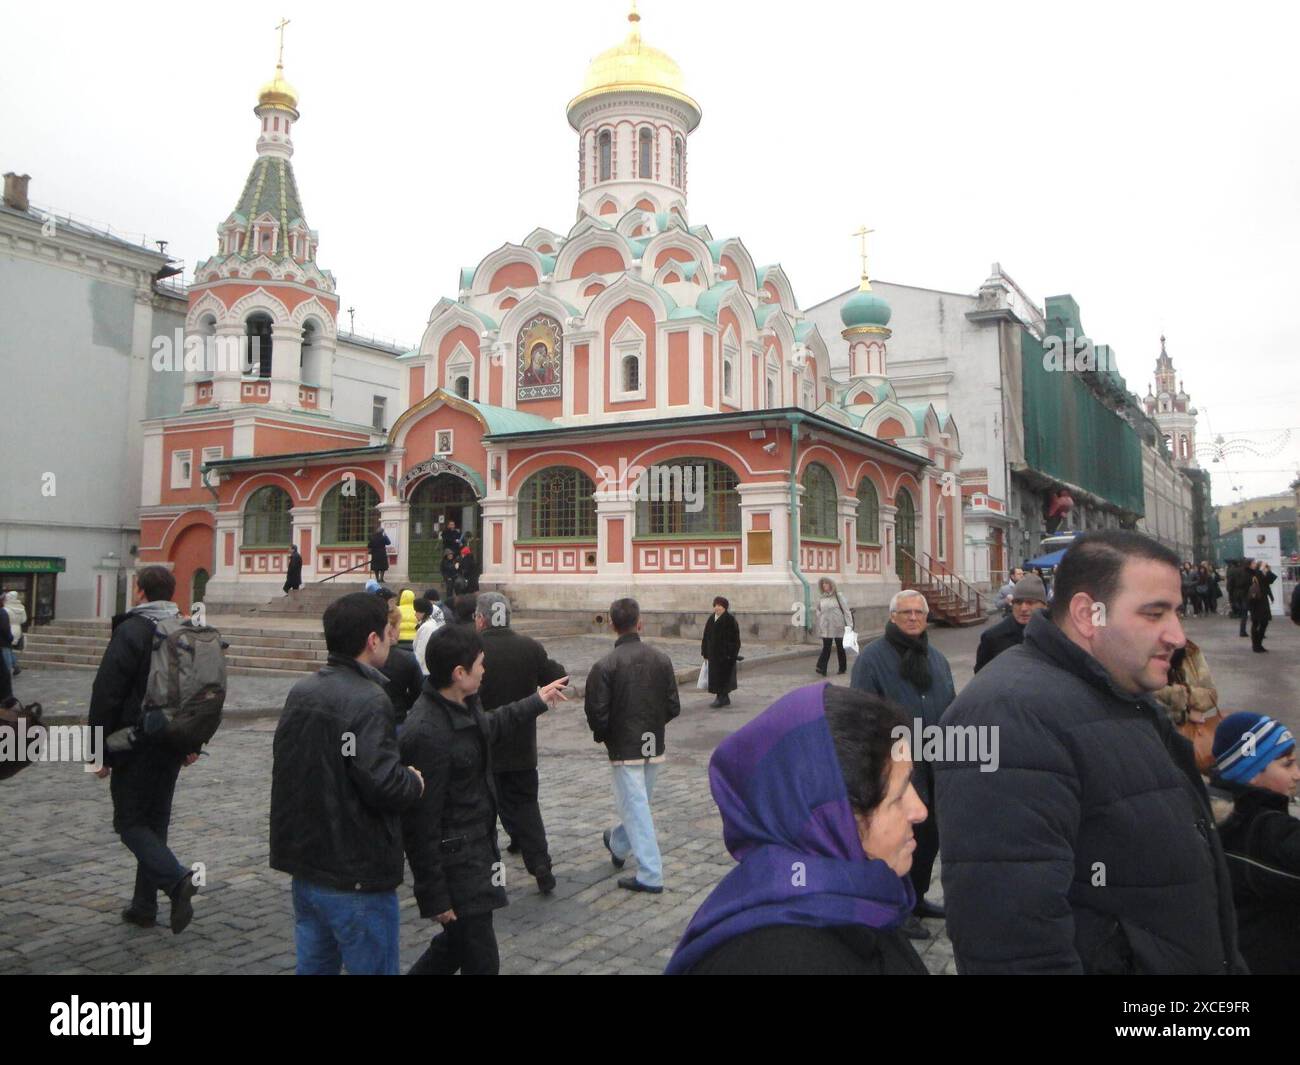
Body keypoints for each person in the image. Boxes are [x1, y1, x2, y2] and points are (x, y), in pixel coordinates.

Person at [935, 530, 1246, 974]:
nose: (1177, 635)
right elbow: (1012, 943)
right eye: (1154, 614)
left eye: (1175, 612)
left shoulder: (1121, 691)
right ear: (1087, 614)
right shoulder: (1007, 715)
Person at [665, 684, 928, 975]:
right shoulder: (779, 961)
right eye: (899, 794)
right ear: (836, 819)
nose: (920, 811)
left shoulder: (858, 894)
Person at [269, 592, 425, 975]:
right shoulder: (370, 699)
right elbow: (381, 782)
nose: (392, 640)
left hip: (307, 867)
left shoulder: (302, 691)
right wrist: (413, 782)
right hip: (355, 873)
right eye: (388, 633)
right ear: (373, 640)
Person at [401, 624, 569, 974]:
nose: (484, 669)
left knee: (453, 948)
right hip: (457, 863)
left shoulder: (464, 703)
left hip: (477, 851)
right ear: (459, 673)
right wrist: (434, 894)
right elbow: (421, 822)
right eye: (479, 664)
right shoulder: (426, 731)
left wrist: (537, 701)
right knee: (480, 958)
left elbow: (490, 726)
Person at [88, 565, 201, 934]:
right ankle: (143, 905)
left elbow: (107, 693)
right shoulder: (186, 629)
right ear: (172, 592)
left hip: (134, 742)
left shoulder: (132, 630)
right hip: (171, 741)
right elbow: (199, 692)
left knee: (130, 822)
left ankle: (176, 879)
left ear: (139, 592)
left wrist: (97, 751)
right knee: (154, 823)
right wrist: (192, 741)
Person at [850, 589, 955, 939]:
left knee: (929, 839)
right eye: (905, 612)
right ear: (892, 617)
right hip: (896, 769)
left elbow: (950, 705)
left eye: (918, 612)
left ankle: (919, 896)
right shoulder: (872, 659)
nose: (913, 617)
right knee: (899, 840)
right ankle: (897, 906)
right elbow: (863, 714)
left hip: (935, 764)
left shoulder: (936, 659)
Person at [585, 598, 680, 893]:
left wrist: (606, 736)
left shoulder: (604, 666)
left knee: (637, 807)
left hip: (625, 747)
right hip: (652, 742)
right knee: (639, 805)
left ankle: (651, 874)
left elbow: (596, 713)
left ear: (612, 625)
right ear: (640, 623)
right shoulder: (662, 659)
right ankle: (618, 842)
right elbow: (673, 706)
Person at [474, 592, 566, 895]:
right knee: (527, 808)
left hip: (483, 747)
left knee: (483, 816)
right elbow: (559, 676)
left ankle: (490, 877)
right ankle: (541, 866)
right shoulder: (529, 647)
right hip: (522, 748)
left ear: (481, 618)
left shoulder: (475, 649)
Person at [1210, 713, 1300, 974]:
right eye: (1287, 765)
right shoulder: (1261, 829)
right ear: (1250, 773)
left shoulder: (1220, 815)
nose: (1297, 774)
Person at [1153, 638, 1220, 773]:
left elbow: (1211, 695)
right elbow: (1140, 700)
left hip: (1186, 741)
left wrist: (1187, 693)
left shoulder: (1190, 651)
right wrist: (1184, 712)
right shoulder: (1138, 651)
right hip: (1154, 744)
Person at [974, 573, 1046, 674]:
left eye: (1030, 602)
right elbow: (981, 677)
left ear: (1044, 605)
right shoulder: (993, 637)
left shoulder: (1055, 635)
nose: (1023, 608)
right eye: (1018, 602)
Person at [378, 605, 423, 727]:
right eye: (398, 626)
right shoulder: (406, 659)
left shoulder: (367, 656)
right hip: (397, 718)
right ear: (391, 630)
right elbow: (419, 692)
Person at [700, 596, 740, 708]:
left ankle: (721, 697)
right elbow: (706, 636)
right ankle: (722, 697)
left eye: (720, 606)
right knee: (715, 677)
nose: (717, 608)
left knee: (724, 677)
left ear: (725, 608)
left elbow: (735, 639)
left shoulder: (730, 620)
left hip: (725, 656)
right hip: (713, 655)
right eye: (716, 605)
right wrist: (705, 652)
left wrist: (730, 654)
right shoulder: (711, 619)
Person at [813, 577, 852, 676]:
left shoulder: (838, 596)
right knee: (826, 647)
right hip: (826, 626)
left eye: (826, 583)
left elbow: (846, 611)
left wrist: (850, 625)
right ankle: (822, 668)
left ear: (831, 585)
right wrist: (820, 615)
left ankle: (842, 668)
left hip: (838, 625)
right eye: (823, 583)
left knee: (840, 647)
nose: (824, 585)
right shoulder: (822, 597)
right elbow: (817, 609)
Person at [1247, 561, 1277, 653]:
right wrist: (1261, 570)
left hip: (1263, 602)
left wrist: (1267, 570)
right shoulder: (1253, 574)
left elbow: (1272, 579)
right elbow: (1255, 579)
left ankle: (1258, 644)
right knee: (1256, 622)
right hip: (1255, 602)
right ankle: (1256, 645)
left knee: (1264, 622)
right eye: (1253, 563)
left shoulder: (1263, 575)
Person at [412, 597, 443, 677]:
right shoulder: (429, 624)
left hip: (424, 672)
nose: (415, 614)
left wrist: (415, 671)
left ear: (423, 613)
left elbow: (421, 652)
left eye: (416, 611)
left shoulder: (427, 628)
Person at [3, 590, 26, 677]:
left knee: (7, 649)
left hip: (9, 628)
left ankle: (9, 668)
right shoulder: (21, 608)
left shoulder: (6, 608)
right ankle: (15, 665)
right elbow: (24, 620)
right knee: (9, 649)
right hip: (17, 629)